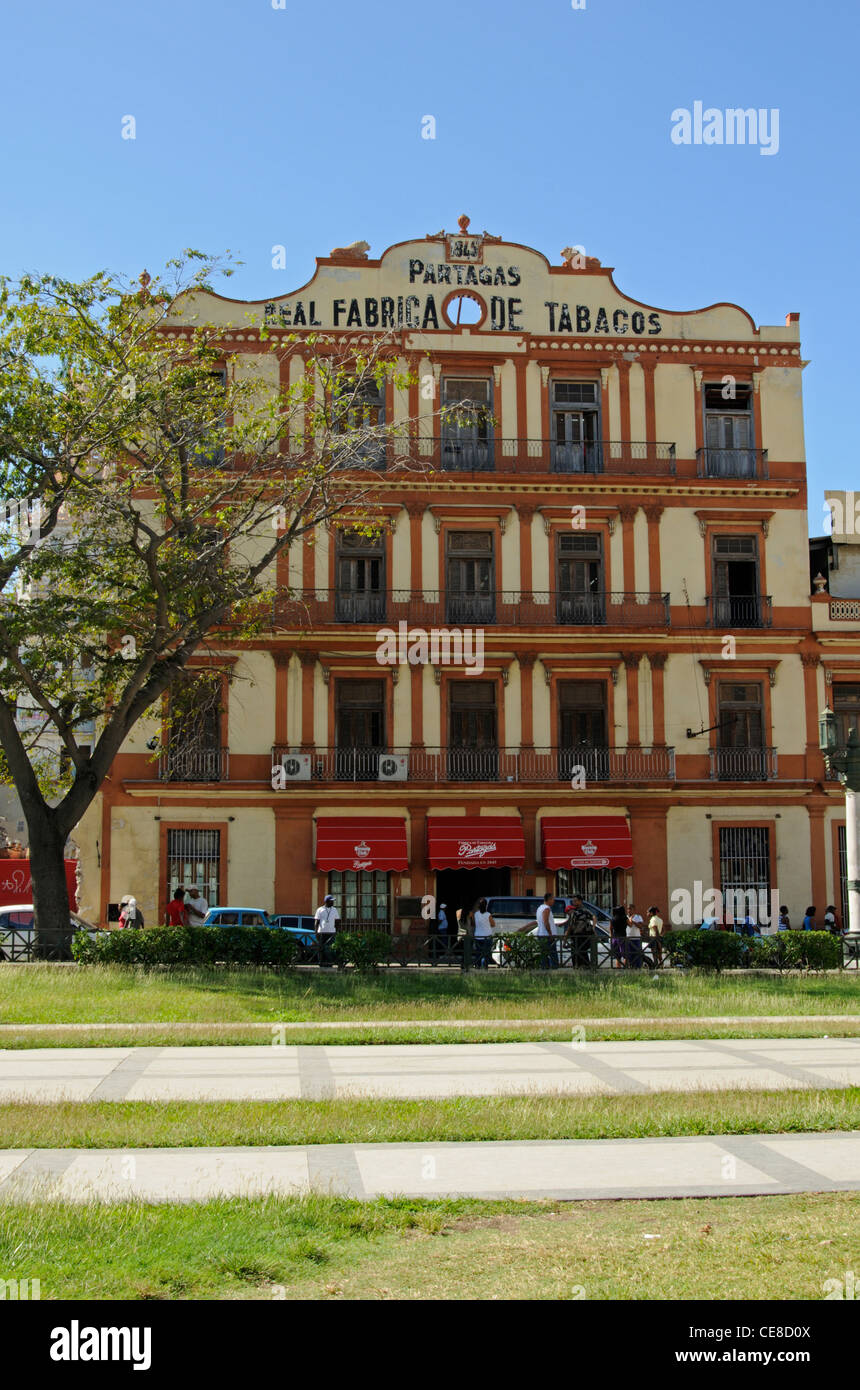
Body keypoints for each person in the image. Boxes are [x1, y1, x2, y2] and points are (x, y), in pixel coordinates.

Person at [563, 895, 596, 969]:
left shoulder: (576, 912)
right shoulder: (584, 911)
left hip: (579, 937)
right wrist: (593, 927)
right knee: (582, 954)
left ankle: (581, 969)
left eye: (575, 901)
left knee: (578, 955)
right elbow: (594, 917)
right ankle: (585, 968)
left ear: (580, 901)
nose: (573, 902)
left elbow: (569, 927)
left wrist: (564, 941)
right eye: (573, 901)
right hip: (582, 938)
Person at [314, 893, 340, 965]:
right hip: (321, 932)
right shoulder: (319, 910)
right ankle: (321, 962)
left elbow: (337, 921)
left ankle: (330, 962)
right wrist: (316, 932)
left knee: (330, 948)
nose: (333, 902)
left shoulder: (334, 910)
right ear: (327, 901)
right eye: (331, 901)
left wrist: (336, 931)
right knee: (321, 948)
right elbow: (316, 922)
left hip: (331, 933)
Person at [471, 898, 496, 970]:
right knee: (486, 953)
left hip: (478, 936)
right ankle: (484, 967)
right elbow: (493, 924)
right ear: (486, 905)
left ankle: (477, 966)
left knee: (478, 953)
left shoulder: (476, 914)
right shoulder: (488, 914)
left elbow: (474, 924)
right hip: (487, 936)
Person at [536, 892, 559, 970]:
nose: (554, 901)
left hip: (541, 934)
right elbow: (546, 922)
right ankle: (554, 969)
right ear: (549, 899)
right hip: (546, 935)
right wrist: (550, 934)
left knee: (544, 954)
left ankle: (545, 968)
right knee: (553, 954)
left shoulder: (539, 908)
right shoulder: (546, 909)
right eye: (553, 899)